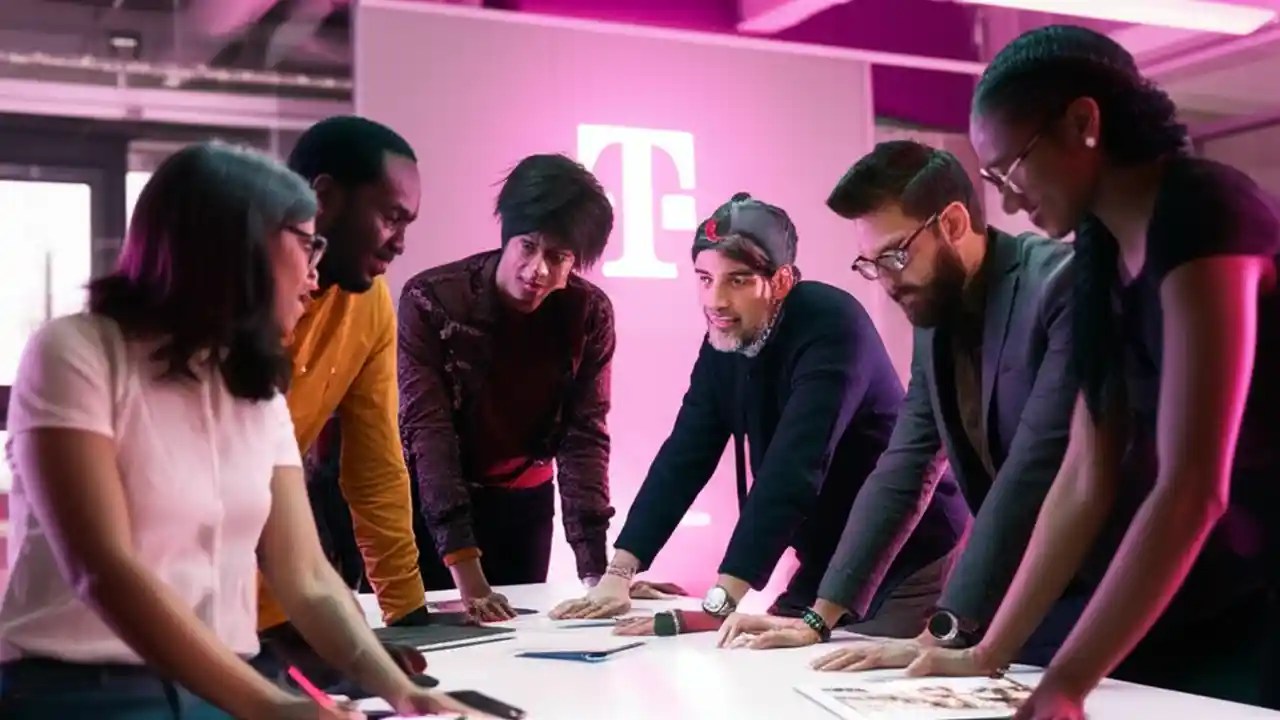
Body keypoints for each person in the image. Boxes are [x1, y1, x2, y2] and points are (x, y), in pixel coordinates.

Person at [0, 142, 474, 719]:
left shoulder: (255, 389)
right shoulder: (75, 353)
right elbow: (103, 568)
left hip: (223, 684)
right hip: (82, 692)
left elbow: (307, 576)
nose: (315, 272)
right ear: (236, 246)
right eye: (307, 244)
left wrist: (402, 692)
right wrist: (270, 706)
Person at [891, 25, 1280, 718]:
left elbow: (1194, 486)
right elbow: (1082, 474)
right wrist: (988, 651)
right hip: (1195, 588)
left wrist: (1065, 683)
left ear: (1083, 123)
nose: (1009, 201)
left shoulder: (1203, 212)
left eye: (1012, 168)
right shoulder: (1095, 257)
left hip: (1258, 594)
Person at [717, 142, 1079, 664]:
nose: (886, 280)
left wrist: (942, 630)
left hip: (1121, 589)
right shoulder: (935, 313)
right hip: (1024, 596)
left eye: (895, 256)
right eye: (872, 264)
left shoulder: (1058, 284)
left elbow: (1030, 471)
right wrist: (818, 618)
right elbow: (905, 466)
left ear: (952, 223)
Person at [551, 193, 970, 635]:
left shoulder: (833, 325)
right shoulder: (727, 338)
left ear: (782, 281)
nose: (716, 300)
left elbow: (794, 468)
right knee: (757, 656)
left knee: (847, 669)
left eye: (737, 280)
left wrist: (720, 602)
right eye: (705, 279)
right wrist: (618, 575)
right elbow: (684, 456)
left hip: (908, 554)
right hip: (827, 557)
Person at [398, 154, 617, 620]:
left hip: (524, 506)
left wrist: (598, 576)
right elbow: (428, 431)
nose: (538, 270)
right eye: (528, 246)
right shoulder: (433, 299)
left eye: (558, 257)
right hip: (427, 503)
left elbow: (584, 437)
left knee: (516, 641)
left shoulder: (589, 313)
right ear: (507, 235)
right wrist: (467, 572)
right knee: (427, 642)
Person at [254, 116, 432, 675]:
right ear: (324, 197)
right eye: (391, 217)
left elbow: (375, 465)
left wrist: (407, 614)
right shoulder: (231, 299)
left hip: (283, 599)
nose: (401, 242)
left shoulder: (371, 301)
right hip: (182, 609)